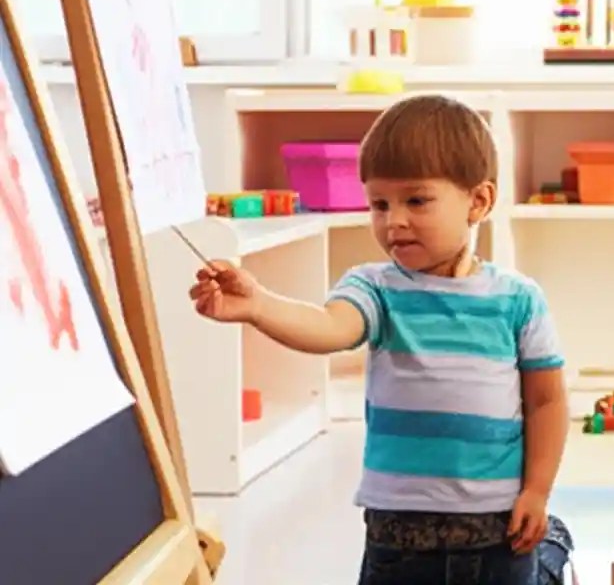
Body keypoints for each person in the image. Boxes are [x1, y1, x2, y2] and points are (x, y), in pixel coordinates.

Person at [188, 96, 570, 585]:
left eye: (416, 200)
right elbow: (329, 327)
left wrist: (537, 491)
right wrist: (259, 305)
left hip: (497, 532)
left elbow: (546, 401)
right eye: (379, 204)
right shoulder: (375, 287)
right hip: (396, 536)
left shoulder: (518, 299)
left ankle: (553, 554)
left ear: (479, 201)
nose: (394, 221)